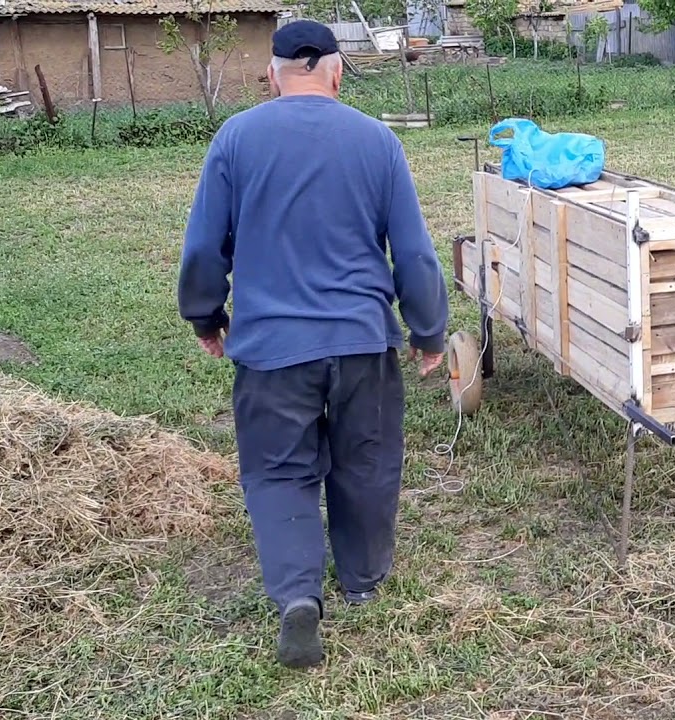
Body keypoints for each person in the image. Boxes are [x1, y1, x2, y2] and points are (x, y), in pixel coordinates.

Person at [176, 19, 450, 669]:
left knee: (278, 471)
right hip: (361, 342)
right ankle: (361, 581)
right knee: (367, 463)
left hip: (272, 349)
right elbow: (412, 252)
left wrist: (205, 315)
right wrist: (429, 330)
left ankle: (299, 596)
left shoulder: (236, 138)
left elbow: (202, 246)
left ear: (273, 74)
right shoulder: (377, 141)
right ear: (336, 71)